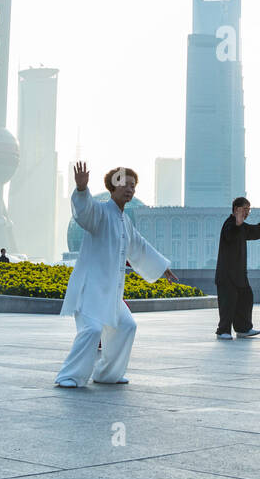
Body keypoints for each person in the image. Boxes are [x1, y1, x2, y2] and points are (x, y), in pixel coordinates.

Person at [55, 163, 179, 387]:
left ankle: (107, 374)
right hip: (90, 289)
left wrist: (162, 267)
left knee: (127, 326)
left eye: (133, 185)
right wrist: (82, 190)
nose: (129, 189)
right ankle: (69, 376)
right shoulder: (100, 212)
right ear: (112, 187)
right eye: (124, 184)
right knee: (92, 330)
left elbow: (140, 247)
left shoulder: (125, 222)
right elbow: (84, 211)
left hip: (111, 293)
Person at [215, 198, 260, 339]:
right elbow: (230, 236)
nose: (247, 212)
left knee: (246, 298)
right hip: (226, 275)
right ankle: (223, 331)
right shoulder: (229, 224)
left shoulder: (242, 226)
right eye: (245, 209)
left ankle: (243, 329)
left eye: (249, 209)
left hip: (239, 274)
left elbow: (252, 231)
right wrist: (237, 224)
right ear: (236, 209)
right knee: (227, 303)